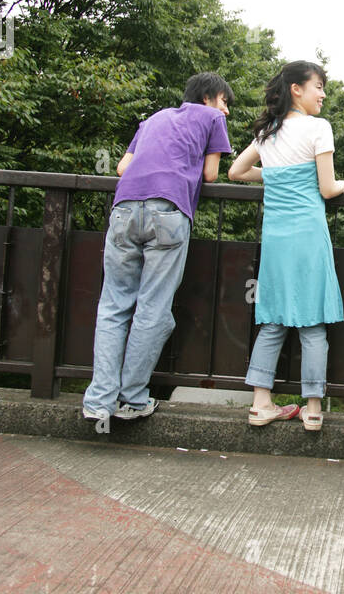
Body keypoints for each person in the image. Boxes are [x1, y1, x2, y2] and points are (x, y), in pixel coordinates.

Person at [83, 72, 234, 425]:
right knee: (152, 309)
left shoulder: (153, 119)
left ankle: (97, 400)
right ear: (210, 97)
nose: (226, 110)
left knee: (113, 306)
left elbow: (123, 167)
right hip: (168, 212)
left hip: (124, 210)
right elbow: (211, 175)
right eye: (225, 101)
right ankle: (131, 400)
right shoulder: (211, 118)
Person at [228, 60, 344, 430]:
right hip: (309, 237)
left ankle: (260, 403)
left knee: (272, 320)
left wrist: (275, 178)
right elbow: (328, 188)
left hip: (277, 239)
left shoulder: (269, 131)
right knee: (313, 323)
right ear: (297, 89)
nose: (323, 94)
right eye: (318, 86)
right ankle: (312, 409)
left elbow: (235, 172)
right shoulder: (319, 128)